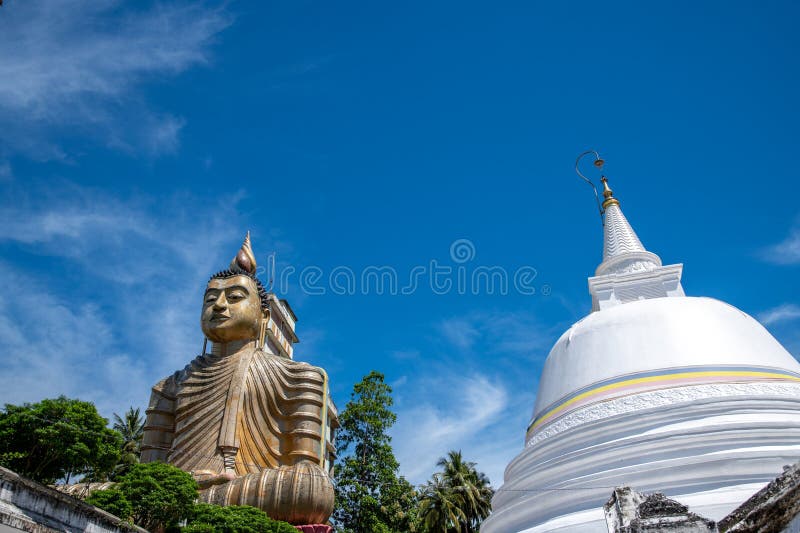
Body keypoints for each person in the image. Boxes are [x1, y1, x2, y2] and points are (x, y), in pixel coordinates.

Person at [140, 233, 337, 525]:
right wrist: (179, 484)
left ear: (264, 316)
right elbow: (146, 476)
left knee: (313, 488)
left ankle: (191, 502)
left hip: (247, 493)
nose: (219, 306)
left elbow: (305, 469)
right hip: (171, 492)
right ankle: (186, 499)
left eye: (234, 298)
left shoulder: (300, 376)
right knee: (104, 491)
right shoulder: (170, 386)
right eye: (210, 299)